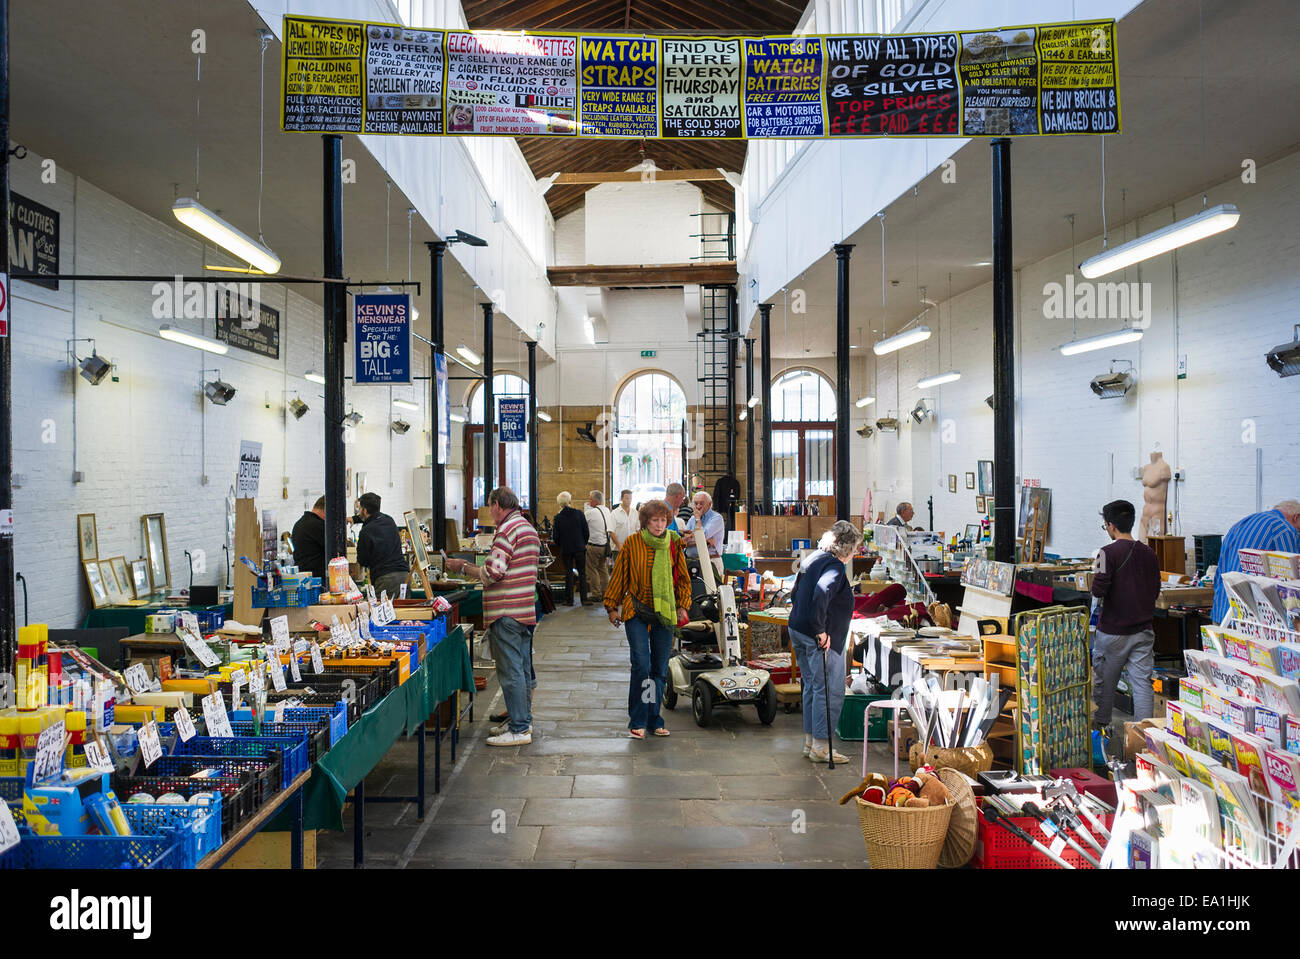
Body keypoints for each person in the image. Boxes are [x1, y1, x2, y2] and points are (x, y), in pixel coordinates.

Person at [445, 487, 541, 746]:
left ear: (497, 504)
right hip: (523, 609)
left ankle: (519, 729)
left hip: (507, 611)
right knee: (520, 669)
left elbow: (493, 572)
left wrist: (463, 567)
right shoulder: (527, 528)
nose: (489, 512)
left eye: (489, 507)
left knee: (510, 672)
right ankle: (523, 721)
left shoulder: (507, 531)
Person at [604, 499, 692, 739]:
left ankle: (654, 718)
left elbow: (683, 579)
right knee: (642, 666)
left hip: (664, 613)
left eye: (663, 520)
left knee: (659, 669)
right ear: (645, 521)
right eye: (655, 520)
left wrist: (683, 605)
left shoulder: (673, 544)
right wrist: (612, 607)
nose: (660, 525)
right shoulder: (632, 544)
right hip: (636, 611)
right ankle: (638, 719)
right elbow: (620, 576)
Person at [787, 520, 862, 764]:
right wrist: (820, 630)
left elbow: (795, 592)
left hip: (798, 628)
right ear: (846, 547)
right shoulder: (835, 567)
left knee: (811, 686)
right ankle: (821, 747)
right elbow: (822, 591)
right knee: (828, 689)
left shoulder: (812, 559)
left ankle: (811, 742)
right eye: (855, 548)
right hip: (818, 637)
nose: (855, 553)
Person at [1090, 499, 1162, 734]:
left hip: (1112, 632)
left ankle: (1100, 732)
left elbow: (1098, 590)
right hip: (1143, 631)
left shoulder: (1104, 553)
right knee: (1142, 685)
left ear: (1111, 525)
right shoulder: (1150, 553)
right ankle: (1143, 737)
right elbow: (1155, 590)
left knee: (1104, 684)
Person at [1211, 501, 1300, 623]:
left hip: (1221, 612)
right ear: (1296, 517)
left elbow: (1219, 571)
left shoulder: (1241, 523)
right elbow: (1292, 582)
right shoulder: (1284, 529)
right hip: (1251, 618)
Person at [355, 492, 409, 600]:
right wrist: (353, 519)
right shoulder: (389, 520)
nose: (359, 512)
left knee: (378, 612)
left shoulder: (366, 531)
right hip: (405, 575)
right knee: (402, 613)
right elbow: (369, 519)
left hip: (386, 578)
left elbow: (363, 560)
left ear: (364, 510)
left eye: (359, 509)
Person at [552, 491, 589, 605]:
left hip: (566, 549)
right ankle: (584, 599)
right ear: (569, 501)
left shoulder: (558, 518)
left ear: (559, 503)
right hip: (579, 547)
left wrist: (561, 545)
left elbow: (556, 537)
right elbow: (586, 531)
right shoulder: (579, 513)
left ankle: (569, 600)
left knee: (568, 573)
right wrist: (583, 543)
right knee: (582, 573)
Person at [584, 490, 614, 603]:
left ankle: (596, 593)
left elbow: (582, 524)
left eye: (590, 499)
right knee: (603, 569)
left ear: (595, 501)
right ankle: (606, 592)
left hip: (593, 545)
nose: (588, 501)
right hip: (605, 545)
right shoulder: (607, 510)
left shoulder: (590, 513)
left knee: (592, 569)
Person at [290, 496, 328, 581]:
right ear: (326, 510)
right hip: (316, 580)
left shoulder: (299, 523)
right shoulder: (318, 525)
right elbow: (335, 549)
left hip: (303, 577)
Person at [683, 490, 725, 560]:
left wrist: (698, 520)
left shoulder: (716, 518)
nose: (698, 506)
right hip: (691, 560)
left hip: (710, 560)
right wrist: (705, 541)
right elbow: (685, 540)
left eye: (701, 503)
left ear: (710, 504)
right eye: (696, 503)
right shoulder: (692, 518)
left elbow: (703, 535)